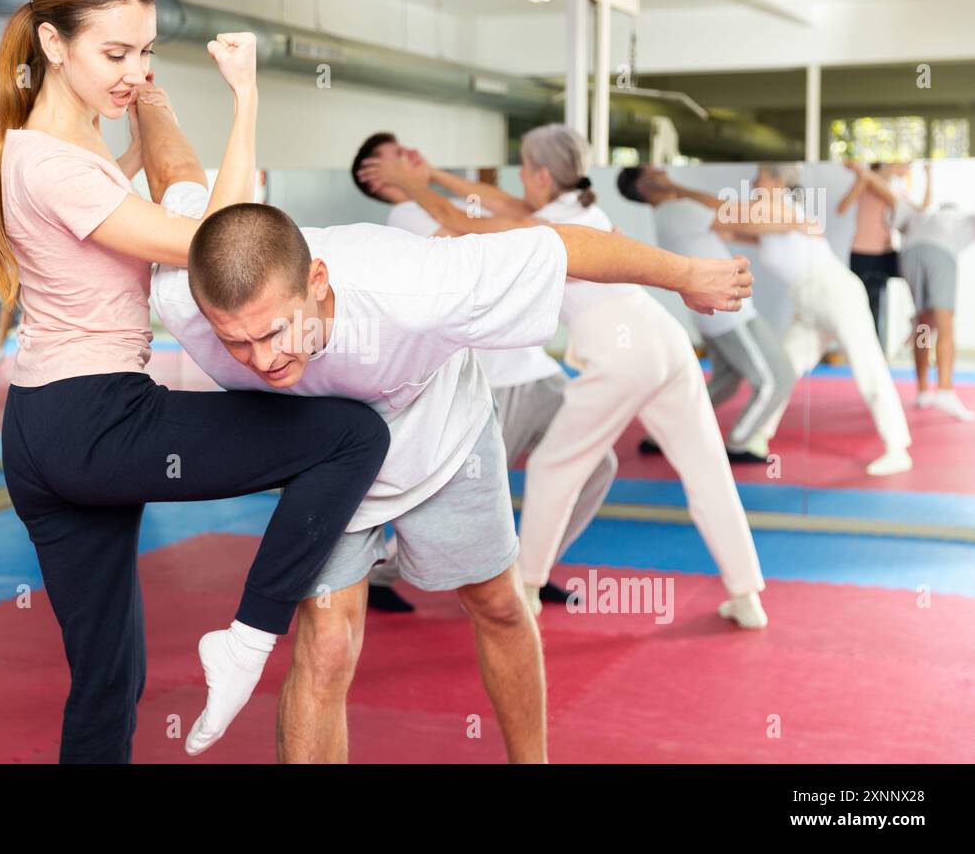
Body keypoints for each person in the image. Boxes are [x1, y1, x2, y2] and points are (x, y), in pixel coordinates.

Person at [152, 146, 752, 765]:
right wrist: (149, 103)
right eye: (237, 343)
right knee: (326, 641)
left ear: (319, 282)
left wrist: (685, 275)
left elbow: (559, 245)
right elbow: (178, 176)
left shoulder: (414, 283)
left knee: (496, 604)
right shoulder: (188, 296)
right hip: (324, 457)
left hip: (440, 439)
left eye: (276, 332)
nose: (261, 359)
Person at [0, 0, 391, 764]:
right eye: (114, 53)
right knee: (354, 436)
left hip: (42, 429)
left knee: (108, 680)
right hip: (95, 421)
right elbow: (215, 240)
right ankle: (248, 637)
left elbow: (131, 189)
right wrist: (245, 102)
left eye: (146, 52)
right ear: (54, 46)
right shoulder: (55, 164)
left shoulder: (59, 150)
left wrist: (141, 134)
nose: (134, 72)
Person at [361, 125, 769, 627]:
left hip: (621, 352)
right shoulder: (573, 209)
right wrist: (434, 174)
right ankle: (747, 594)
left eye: (525, 174)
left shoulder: (544, 227)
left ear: (541, 175)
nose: (519, 185)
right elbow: (496, 202)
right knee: (707, 471)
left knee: (554, 466)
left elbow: (456, 219)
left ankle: (527, 587)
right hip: (666, 341)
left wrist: (413, 180)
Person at [352, 133, 617, 607]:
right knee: (464, 495)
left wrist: (429, 176)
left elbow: (516, 215)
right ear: (376, 176)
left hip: (538, 370)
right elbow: (468, 233)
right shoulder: (405, 216)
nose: (412, 152)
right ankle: (379, 572)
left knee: (598, 463)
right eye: (397, 155)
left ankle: (535, 565)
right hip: (496, 379)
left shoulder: (438, 200)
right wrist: (419, 188)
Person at [616, 166, 797, 463]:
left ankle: (664, 433)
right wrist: (794, 224)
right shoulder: (677, 210)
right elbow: (739, 217)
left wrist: (784, 226)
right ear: (646, 187)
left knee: (724, 382)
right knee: (777, 379)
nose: (664, 171)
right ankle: (739, 442)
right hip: (728, 315)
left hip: (717, 313)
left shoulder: (672, 213)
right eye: (655, 172)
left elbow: (733, 227)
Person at [746, 164, 913, 476]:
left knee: (868, 365)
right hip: (808, 303)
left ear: (779, 181)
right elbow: (732, 226)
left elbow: (734, 218)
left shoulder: (777, 208)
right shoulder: (768, 218)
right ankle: (756, 436)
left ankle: (897, 448)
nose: (754, 182)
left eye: (760, 177)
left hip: (834, 292)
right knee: (784, 367)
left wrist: (687, 197)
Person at [838, 161, 930, 345]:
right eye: (908, 163)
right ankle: (870, 349)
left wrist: (930, 177)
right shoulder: (864, 181)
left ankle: (916, 322)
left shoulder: (895, 189)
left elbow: (921, 210)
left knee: (921, 280)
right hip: (862, 253)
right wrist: (861, 176)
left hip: (887, 253)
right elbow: (841, 208)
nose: (910, 167)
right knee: (869, 306)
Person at [898, 202, 975, 420]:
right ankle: (945, 390)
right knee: (944, 324)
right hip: (940, 253)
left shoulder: (925, 217)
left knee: (923, 323)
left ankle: (923, 390)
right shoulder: (962, 218)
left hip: (909, 253)